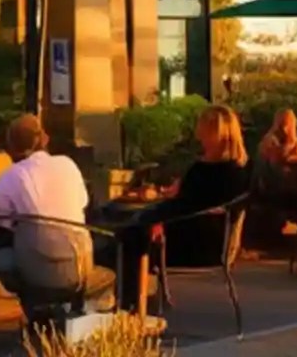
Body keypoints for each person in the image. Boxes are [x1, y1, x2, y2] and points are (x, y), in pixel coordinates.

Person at [107, 105, 250, 313]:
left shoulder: (204, 171)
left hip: (190, 242)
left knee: (128, 237)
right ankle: (140, 301)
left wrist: (157, 217)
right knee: (134, 231)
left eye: (203, 132)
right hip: (217, 243)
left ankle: (129, 304)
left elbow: (184, 206)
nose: (199, 138)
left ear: (214, 134)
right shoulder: (239, 172)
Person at [0, 115, 114, 316]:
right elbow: (83, 203)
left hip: (34, 274)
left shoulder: (10, 176)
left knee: (3, 256)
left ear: (11, 147)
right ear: (44, 140)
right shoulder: (68, 165)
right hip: (79, 270)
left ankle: (36, 312)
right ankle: (74, 312)